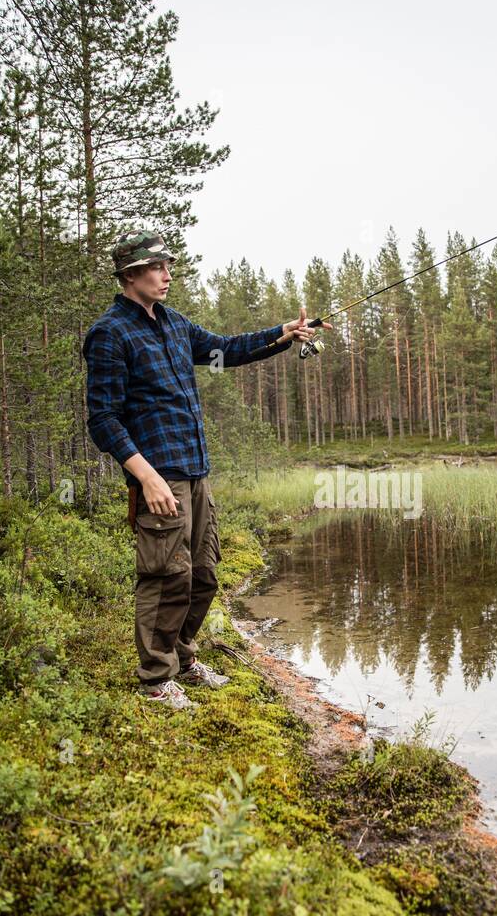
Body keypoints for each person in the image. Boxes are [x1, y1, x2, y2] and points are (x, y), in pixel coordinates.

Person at [82, 228, 327, 710]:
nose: (167, 275)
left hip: (195, 471)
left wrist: (284, 334)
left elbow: (226, 349)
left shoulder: (173, 324)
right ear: (131, 274)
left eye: (168, 266)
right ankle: (155, 681)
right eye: (158, 267)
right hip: (160, 476)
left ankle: (183, 659)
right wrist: (146, 476)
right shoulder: (110, 333)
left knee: (203, 574)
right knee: (165, 576)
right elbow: (102, 419)